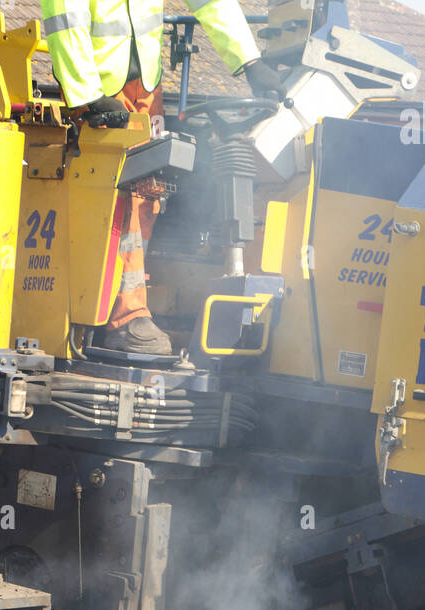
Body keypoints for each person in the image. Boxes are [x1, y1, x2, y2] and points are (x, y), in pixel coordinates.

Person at [41, 0, 283, 355]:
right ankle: (124, 318)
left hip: (146, 88)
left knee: (147, 195)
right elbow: (65, 17)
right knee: (115, 199)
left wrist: (249, 60)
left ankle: (128, 310)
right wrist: (87, 95)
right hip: (100, 89)